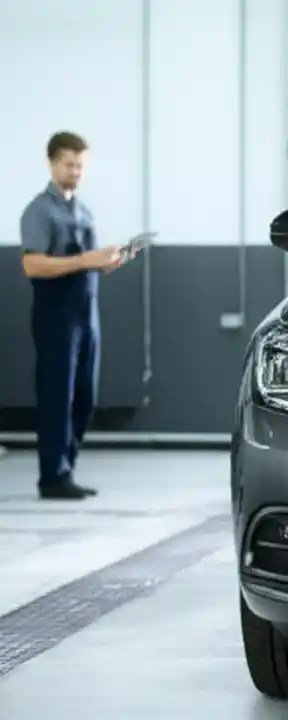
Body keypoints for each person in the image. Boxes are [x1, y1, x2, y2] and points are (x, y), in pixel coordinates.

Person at [19, 131, 128, 500]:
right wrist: (84, 260)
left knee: (84, 396)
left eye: (80, 166)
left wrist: (106, 261)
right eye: (69, 164)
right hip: (56, 316)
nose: (75, 172)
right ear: (52, 163)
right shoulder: (39, 211)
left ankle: (66, 467)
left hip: (86, 313)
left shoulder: (83, 211)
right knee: (57, 395)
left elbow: (86, 260)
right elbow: (32, 265)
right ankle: (53, 476)